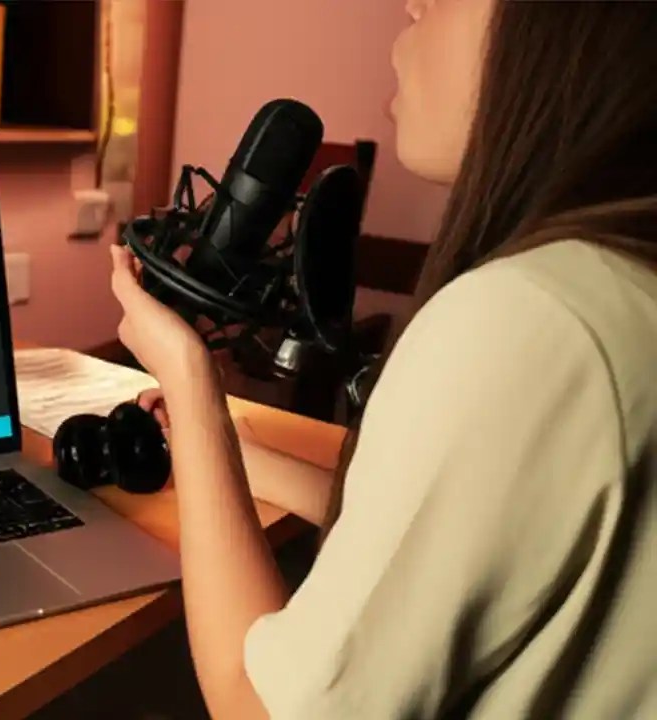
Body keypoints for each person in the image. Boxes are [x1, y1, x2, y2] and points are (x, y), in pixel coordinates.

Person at [108, 2, 657, 718]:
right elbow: (438, 532)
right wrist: (216, 448)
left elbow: (259, 708)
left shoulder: (527, 320)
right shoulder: (612, 285)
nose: (413, 5)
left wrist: (187, 377)